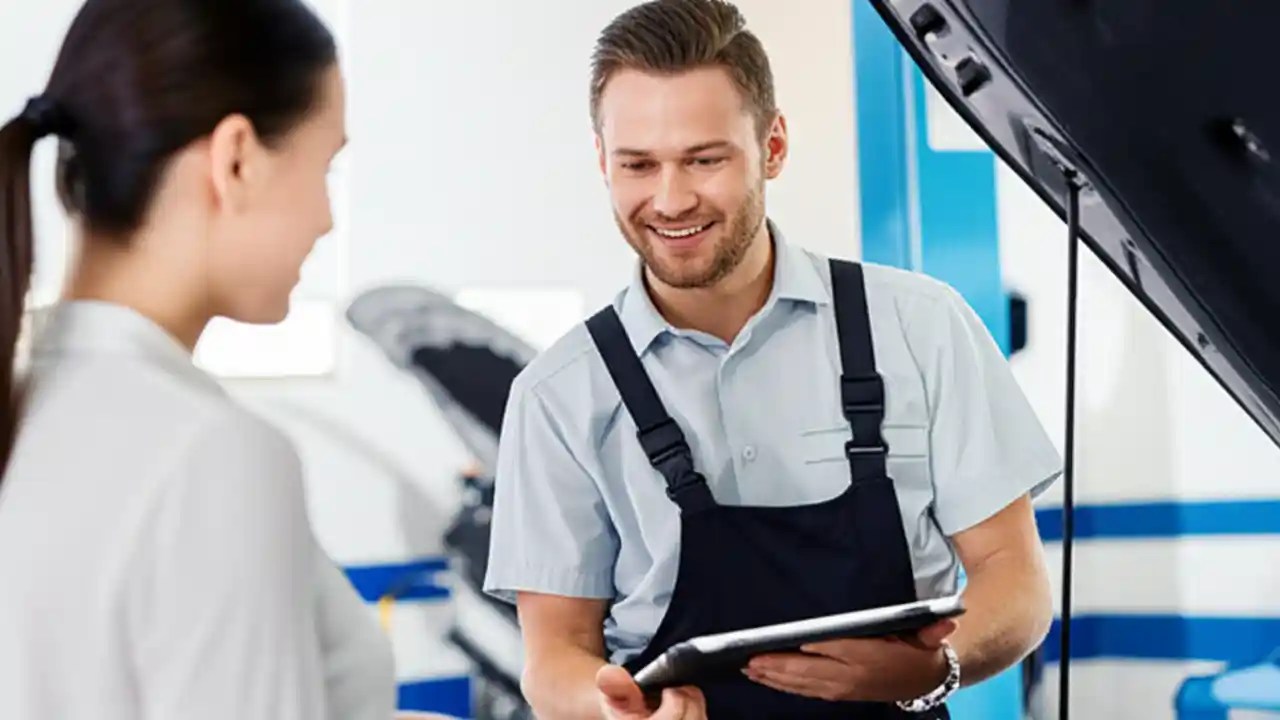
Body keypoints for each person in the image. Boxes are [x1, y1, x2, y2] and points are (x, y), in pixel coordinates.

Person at [483, 0, 1062, 718]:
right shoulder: (558, 397)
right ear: (603, 161)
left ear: (774, 146)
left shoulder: (921, 328)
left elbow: (1016, 580)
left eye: (705, 159)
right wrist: (610, 712)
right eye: (639, 165)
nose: (670, 198)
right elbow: (554, 654)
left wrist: (936, 666)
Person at [0, 1, 396, 718]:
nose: (325, 218)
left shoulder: (25, 405)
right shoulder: (212, 456)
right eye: (324, 169)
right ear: (236, 158)